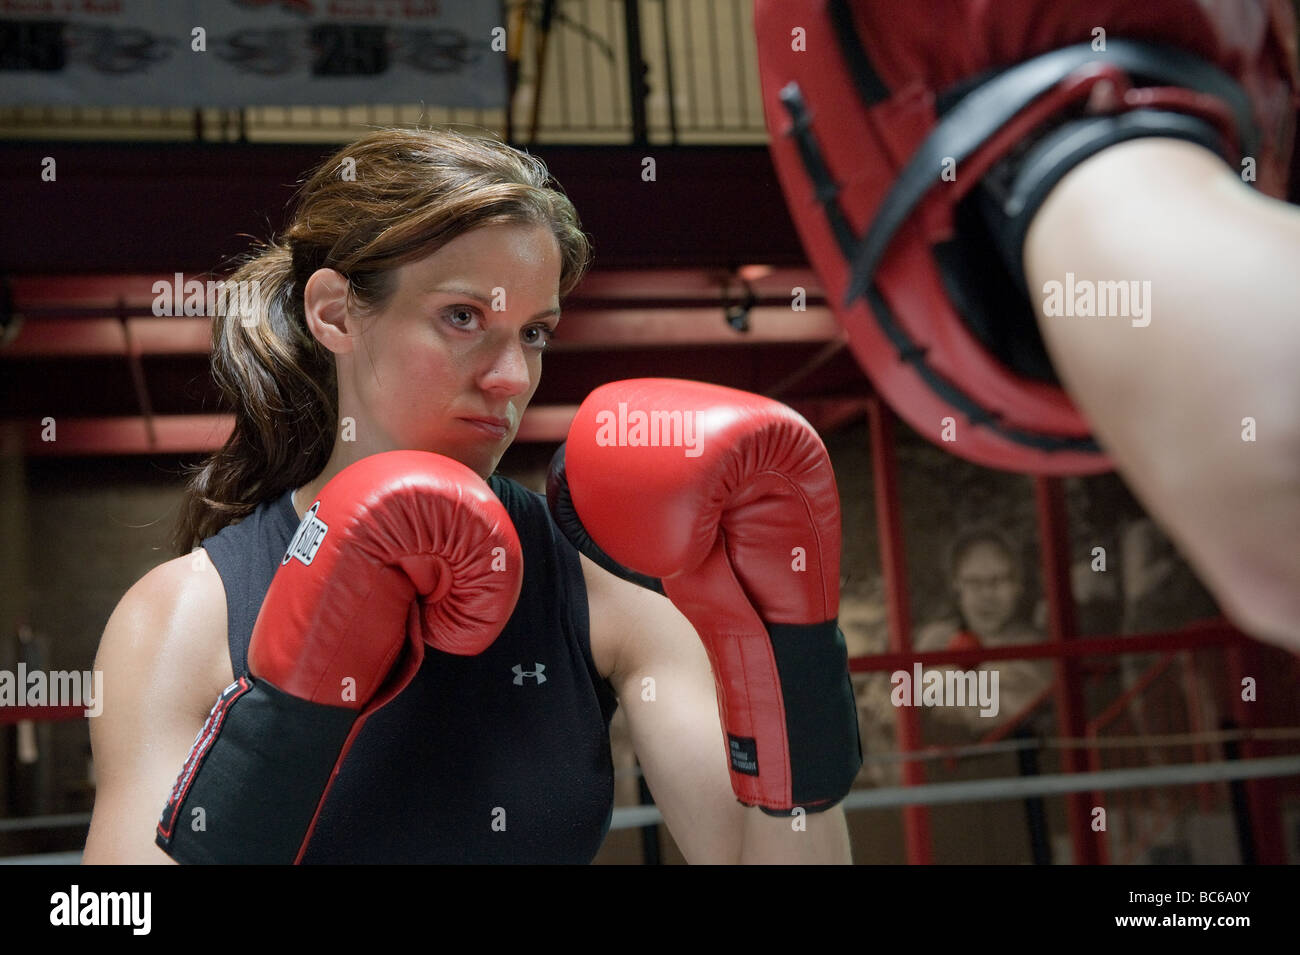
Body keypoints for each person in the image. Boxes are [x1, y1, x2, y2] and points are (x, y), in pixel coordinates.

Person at [83, 128, 853, 864]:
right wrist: (283, 725)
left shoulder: (597, 582)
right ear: (335, 312)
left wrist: (791, 652)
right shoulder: (186, 617)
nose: (511, 378)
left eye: (534, 332)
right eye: (463, 318)